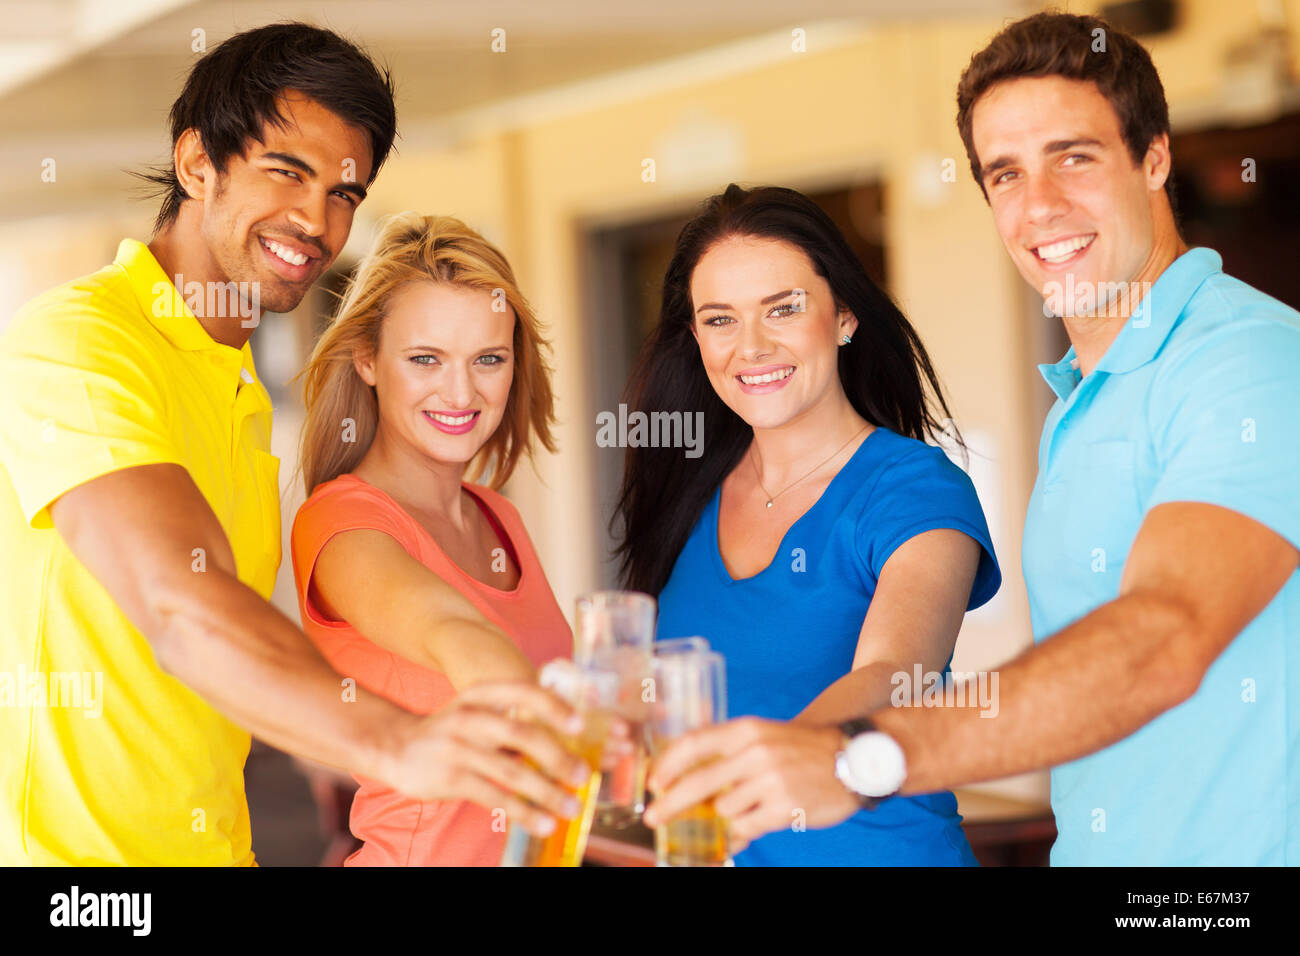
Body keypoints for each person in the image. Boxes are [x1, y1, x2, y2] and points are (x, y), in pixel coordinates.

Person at [644, 12, 1300, 866]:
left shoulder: (1247, 358)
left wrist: (863, 755)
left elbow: (1165, 638)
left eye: (1075, 156)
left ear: (1155, 157)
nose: (1041, 205)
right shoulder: (1083, 402)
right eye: (1006, 174)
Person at [0, 23, 587, 866]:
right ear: (198, 164)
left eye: (345, 192)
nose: (316, 219)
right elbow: (180, 610)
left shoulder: (233, 385)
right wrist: (394, 745)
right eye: (288, 172)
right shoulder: (80, 341)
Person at [617, 184, 1001, 865]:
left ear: (845, 315)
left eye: (783, 308)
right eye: (720, 319)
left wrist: (753, 769)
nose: (751, 347)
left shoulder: (914, 489)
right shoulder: (689, 490)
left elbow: (893, 673)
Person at [290, 212, 576, 865]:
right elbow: (458, 634)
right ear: (367, 358)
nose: (461, 390)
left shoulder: (499, 516)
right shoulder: (344, 524)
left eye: (488, 359)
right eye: (425, 359)